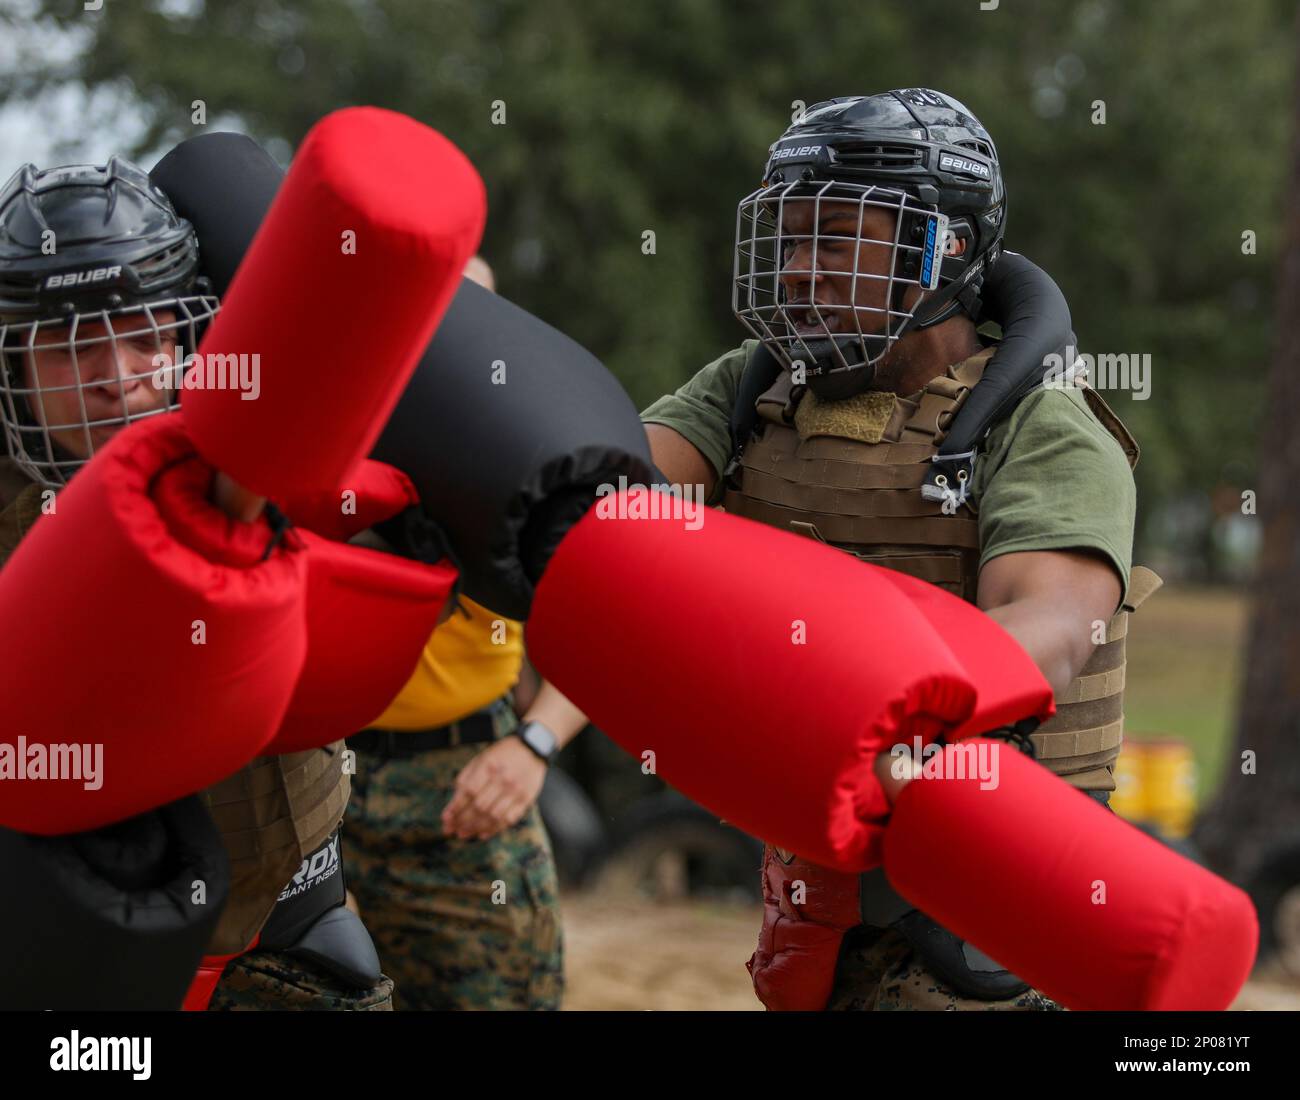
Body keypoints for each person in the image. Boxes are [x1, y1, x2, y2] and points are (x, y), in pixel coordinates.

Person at [639, 89, 1160, 1010]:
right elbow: (618, 489)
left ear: (945, 246)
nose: (800, 270)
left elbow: (1049, 625)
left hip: (992, 911)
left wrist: (889, 719)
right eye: (789, 239)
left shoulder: (1042, 424)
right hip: (824, 895)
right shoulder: (753, 392)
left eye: (834, 240)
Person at [0, 156, 394, 1011]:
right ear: (13, 364)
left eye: (146, 330)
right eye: (70, 343)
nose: (116, 372)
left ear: (191, 335)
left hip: (285, 925)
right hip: (69, 937)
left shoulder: (276, 455)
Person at [342, 255, 589, 1011]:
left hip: (462, 789)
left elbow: (612, 637)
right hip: (308, 791)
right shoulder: (329, 429)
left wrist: (535, 744)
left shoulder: (535, 453)